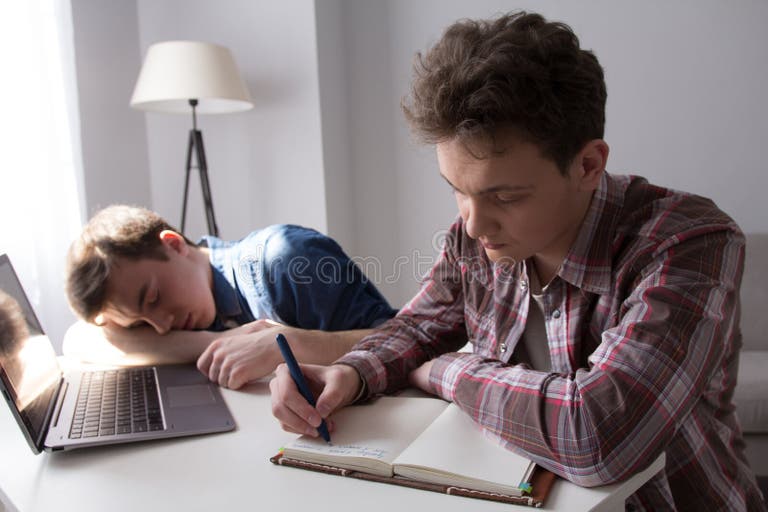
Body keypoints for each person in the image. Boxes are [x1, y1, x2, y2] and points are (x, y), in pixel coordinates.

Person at [268, 11, 765, 510]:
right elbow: (418, 328)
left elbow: (597, 437)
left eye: (505, 197)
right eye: (457, 190)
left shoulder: (689, 241)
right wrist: (349, 373)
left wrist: (446, 370)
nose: (474, 224)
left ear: (588, 165)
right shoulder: (472, 237)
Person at [64, 204, 397, 389]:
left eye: (153, 298)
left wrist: (291, 343)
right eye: (139, 323)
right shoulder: (180, 315)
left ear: (174, 244)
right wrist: (214, 343)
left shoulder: (288, 260)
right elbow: (77, 339)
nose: (161, 327)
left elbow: (401, 342)